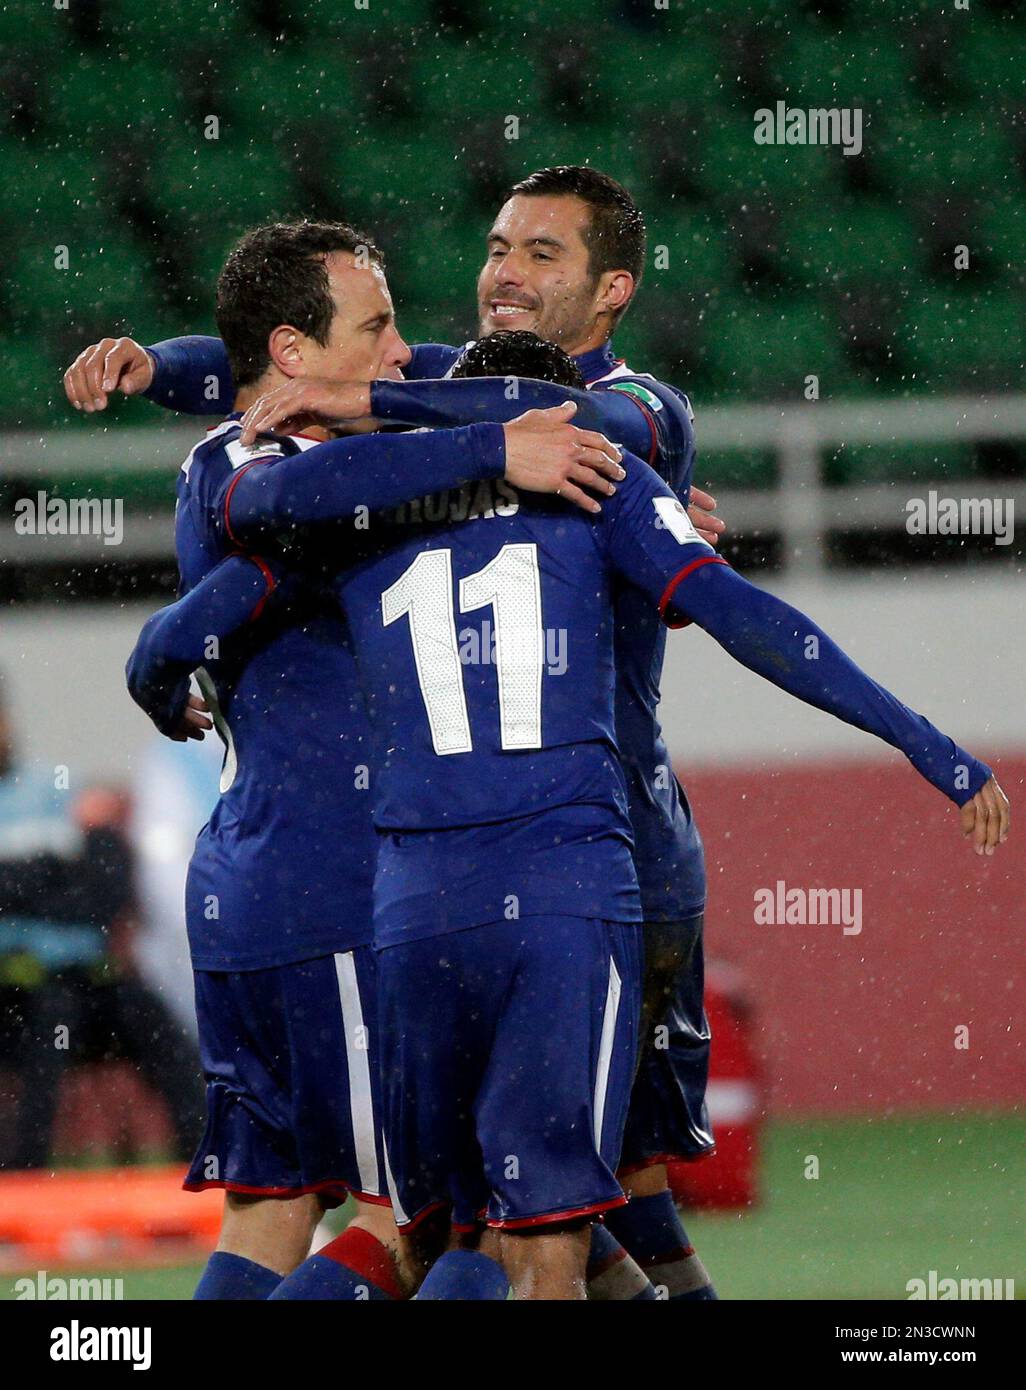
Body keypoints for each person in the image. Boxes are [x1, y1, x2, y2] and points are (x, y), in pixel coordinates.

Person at [128, 330, 1008, 1300]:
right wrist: (930, 745)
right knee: (544, 1241)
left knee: (433, 1231)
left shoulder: (373, 504)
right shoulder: (606, 490)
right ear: (560, 422)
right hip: (562, 899)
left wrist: (159, 674)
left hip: (414, 911)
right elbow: (756, 624)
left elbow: (200, 609)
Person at [64, 166, 727, 1297]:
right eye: (499, 246)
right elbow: (299, 468)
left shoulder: (627, 408)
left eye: (541, 255)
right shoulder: (385, 438)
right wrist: (176, 370)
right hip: (434, 871)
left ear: (613, 289)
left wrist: (161, 643)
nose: (503, 275)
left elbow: (483, 416)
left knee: (512, 1193)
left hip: (538, 858)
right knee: (476, 1218)